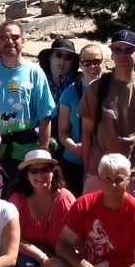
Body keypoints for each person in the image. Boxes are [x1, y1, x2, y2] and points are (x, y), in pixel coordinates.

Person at [0, 21, 55, 186]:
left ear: (23, 41)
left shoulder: (35, 73)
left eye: (15, 37)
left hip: (26, 150)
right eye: (4, 38)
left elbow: (45, 115)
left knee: (24, 196)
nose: (9, 41)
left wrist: (43, 149)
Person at [79, 30, 135, 193]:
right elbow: (86, 133)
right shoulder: (97, 89)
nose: (122, 55)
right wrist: (87, 169)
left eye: (128, 50)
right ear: (112, 54)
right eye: (118, 50)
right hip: (100, 170)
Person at [8, 148, 76, 267]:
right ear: (27, 175)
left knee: (57, 264)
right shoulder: (17, 199)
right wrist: (42, 257)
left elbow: (76, 235)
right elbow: (14, 239)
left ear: (53, 172)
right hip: (27, 254)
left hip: (58, 253)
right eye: (34, 170)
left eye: (45, 169)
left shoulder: (66, 198)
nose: (40, 175)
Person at [55, 44, 103, 194]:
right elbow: (62, 132)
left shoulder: (112, 90)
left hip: (104, 161)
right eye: (86, 63)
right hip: (74, 161)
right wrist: (74, 147)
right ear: (80, 65)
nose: (92, 66)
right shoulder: (70, 93)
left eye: (96, 62)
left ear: (104, 62)